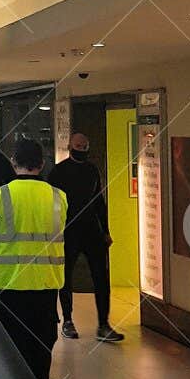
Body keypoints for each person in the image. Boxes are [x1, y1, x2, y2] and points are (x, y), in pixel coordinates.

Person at [0, 137, 66, 379]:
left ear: (13, 162)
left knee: (11, 351)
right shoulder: (59, 198)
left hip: (9, 288)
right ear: (42, 163)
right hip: (46, 288)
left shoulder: (0, 197)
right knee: (41, 350)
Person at [49, 131, 124, 343]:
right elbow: (53, 203)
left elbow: (99, 201)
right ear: (71, 147)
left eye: (85, 147)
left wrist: (106, 230)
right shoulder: (58, 172)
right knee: (65, 277)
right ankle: (68, 320)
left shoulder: (92, 170)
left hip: (92, 230)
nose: (82, 150)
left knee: (101, 276)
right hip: (68, 231)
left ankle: (103, 323)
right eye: (79, 146)